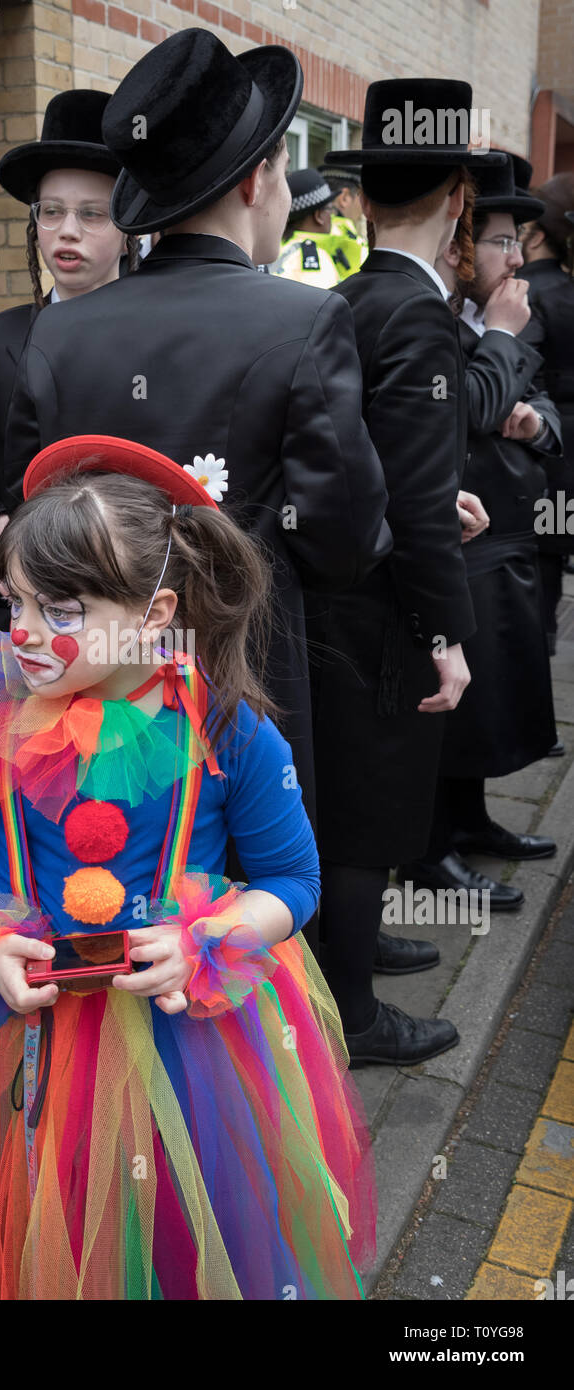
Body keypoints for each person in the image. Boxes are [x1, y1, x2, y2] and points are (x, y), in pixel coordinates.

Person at [0, 437, 376, 1300]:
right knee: (32, 1222)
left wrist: (211, 939)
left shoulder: (231, 735)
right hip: (21, 1034)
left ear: (155, 613)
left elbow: (293, 883)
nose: (22, 633)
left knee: (183, 1229)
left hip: (190, 1040)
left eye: (61, 610)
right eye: (13, 601)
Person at [4, 28, 391, 843]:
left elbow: (29, 508)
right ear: (258, 180)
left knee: (106, 869)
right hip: (246, 668)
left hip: (97, 676)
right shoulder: (306, 318)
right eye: (285, 171)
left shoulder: (60, 334)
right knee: (239, 901)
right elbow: (343, 539)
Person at [306, 80, 506, 1066]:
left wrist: (430, 507)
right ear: (458, 197)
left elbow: (365, 465)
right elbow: (417, 495)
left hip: (335, 592)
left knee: (349, 797)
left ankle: (353, 947)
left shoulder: (348, 296)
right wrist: (446, 632)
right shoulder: (417, 316)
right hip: (380, 608)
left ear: (363, 198)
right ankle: (352, 1015)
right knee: (365, 803)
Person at [405, 156, 561, 906]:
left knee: (492, 707)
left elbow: (543, 400)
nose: (513, 257)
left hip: (508, 543)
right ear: (463, 245)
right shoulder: (438, 323)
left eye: (517, 240)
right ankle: (430, 853)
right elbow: (460, 413)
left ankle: (472, 822)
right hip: (457, 546)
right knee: (450, 711)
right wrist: (501, 336)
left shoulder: (507, 323)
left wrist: (537, 425)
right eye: (499, 240)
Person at [0, 91, 138, 627]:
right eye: (52, 212)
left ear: (129, 230)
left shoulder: (167, 339)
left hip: (137, 605)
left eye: (92, 213)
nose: (68, 230)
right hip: (22, 607)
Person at [516, 173, 574, 660]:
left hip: (544, 456)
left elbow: (517, 373)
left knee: (538, 567)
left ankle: (534, 672)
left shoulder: (524, 294)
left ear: (534, 234)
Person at [272, 169, 341, 286]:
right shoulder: (317, 259)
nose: (332, 216)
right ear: (318, 216)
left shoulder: (274, 251)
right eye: (330, 209)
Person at [319, 165, 369, 278]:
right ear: (344, 198)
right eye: (362, 197)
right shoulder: (353, 244)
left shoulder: (301, 233)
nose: (363, 208)